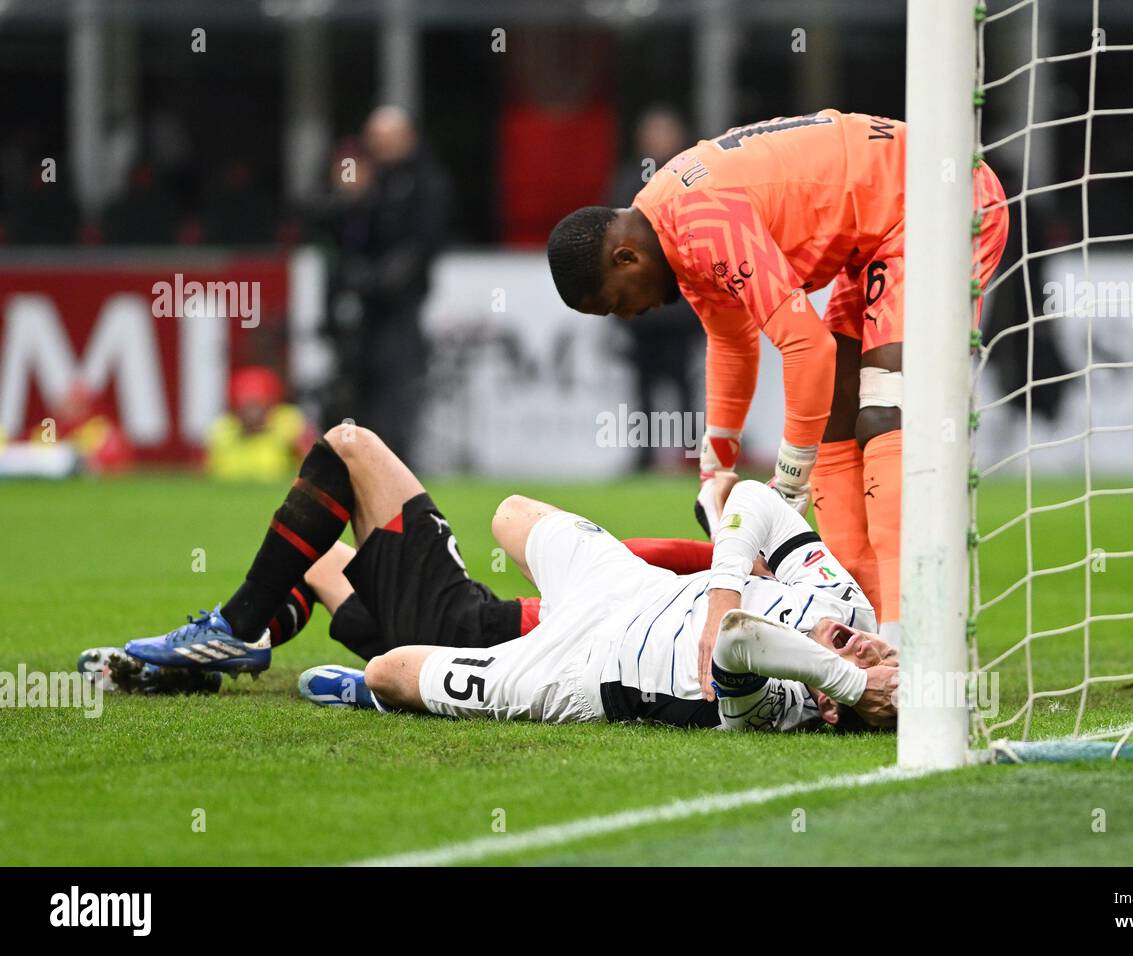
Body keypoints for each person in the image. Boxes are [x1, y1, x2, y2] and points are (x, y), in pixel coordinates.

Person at [546, 109, 1009, 641]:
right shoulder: (671, 223)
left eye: (615, 305)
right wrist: (714, 472)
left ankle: (913, 635)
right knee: (838, 408)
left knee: (885, 405)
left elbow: (805, 347)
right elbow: (732, 342)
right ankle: (867, 626)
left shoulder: (701, 219)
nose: (629, 316)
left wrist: (787, 486)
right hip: (885, 230)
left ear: (625, 258)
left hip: (942, 197)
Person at [121, 424, 895, 729]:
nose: (874, 653)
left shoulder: (793, 699)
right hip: (614, 590)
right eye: (888, 653)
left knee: (351, 456)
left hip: (552, 658)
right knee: (505, 516)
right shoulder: (843, 600)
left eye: (876, 670)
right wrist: (710, 555)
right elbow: (753, 499)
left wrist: (857, 687)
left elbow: (736, 637)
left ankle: (237, 629)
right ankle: (267, 620)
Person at [340, 106, 452, 462]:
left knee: (397, 381)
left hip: (402, 304)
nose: (381, 148)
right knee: (360, 381)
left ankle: (394, 460)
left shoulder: (426, 182)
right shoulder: (368, 182)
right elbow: (342, 232)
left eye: (387, 140)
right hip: (365, 305)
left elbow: (427, 240)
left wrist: (394, 274)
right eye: (375, 141)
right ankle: (359, 459)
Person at [607, 107, 704, 472]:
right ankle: (644, 456)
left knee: (686, 385)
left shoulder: (693, 181)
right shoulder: (627, 180)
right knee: (642, 388)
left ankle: (692, 455)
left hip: (680, 307)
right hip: (641, 311)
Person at [206, 367, 314, 482]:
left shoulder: (288, 423)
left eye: (259, 404)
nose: (252, 414)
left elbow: (314, 467)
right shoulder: (222, 430)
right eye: (246, 406)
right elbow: (208, 476)